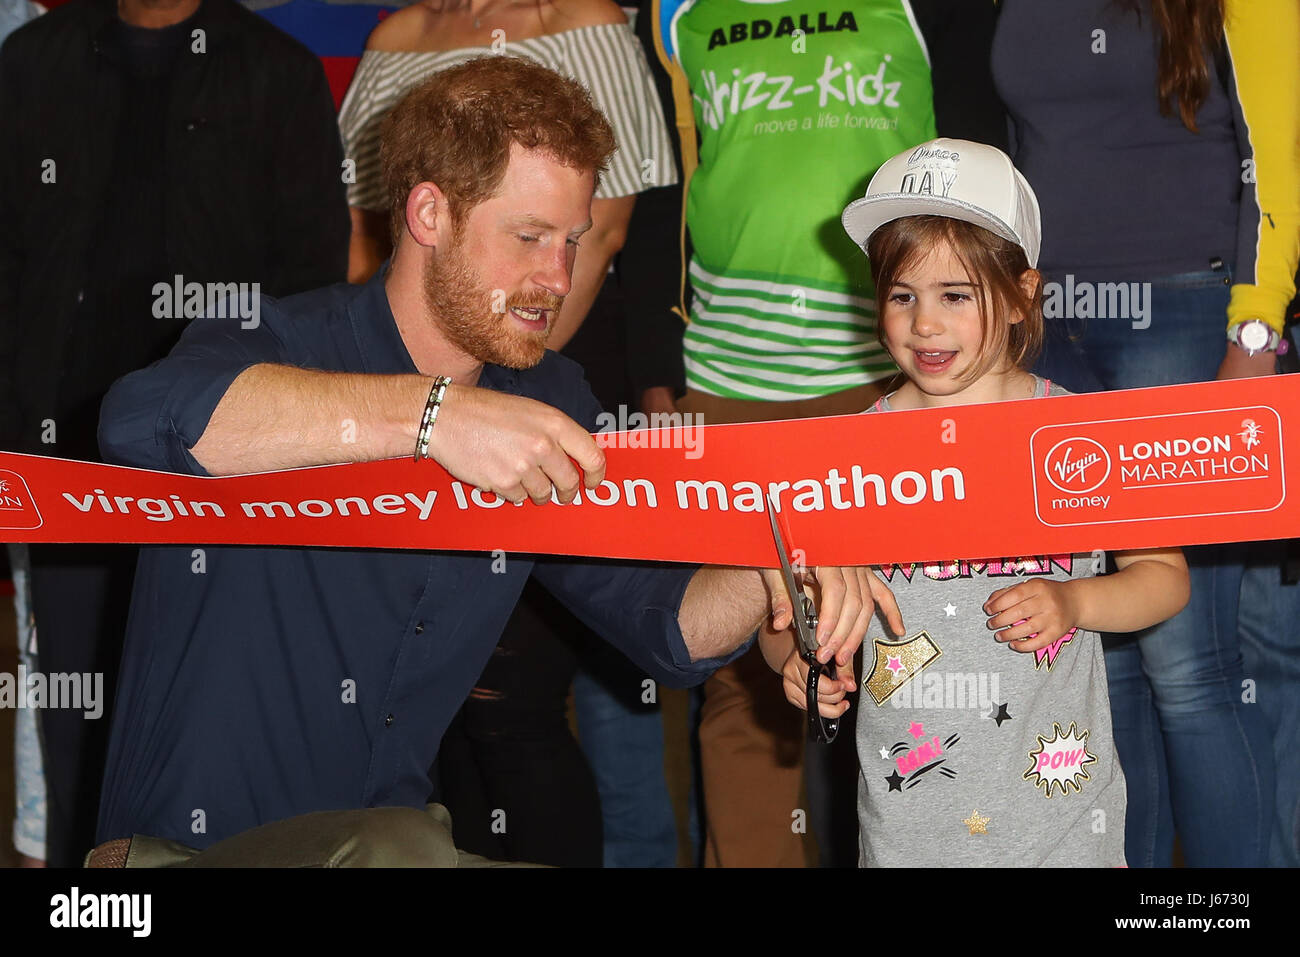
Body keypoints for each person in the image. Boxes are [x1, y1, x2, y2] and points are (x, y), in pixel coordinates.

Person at [87, 55, 881, 866]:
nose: (558, 279)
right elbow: (142, 421)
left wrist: (772, 571)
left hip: (389, 843)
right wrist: (434, 417)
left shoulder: (548, 398)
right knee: (403, 846)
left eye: (572, 241)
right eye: (528, 237)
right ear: (429, 213)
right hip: (173, 856)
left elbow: (663, 624)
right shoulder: (280, 340)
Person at [640, 0, 1008, 867]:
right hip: (726, 388)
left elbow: (980, 187)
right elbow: (665, 193)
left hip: (883, 388)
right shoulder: (674, 11)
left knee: (904, 658)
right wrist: (659, 375)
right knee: (746, 676)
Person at [761, 138, 1191, 866]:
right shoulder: (844, 456)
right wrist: (798, 660)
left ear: (1024, 292)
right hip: (907, 836)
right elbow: (795, 608)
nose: (924, 324)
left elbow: (1165, 577)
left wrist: (1076, 601)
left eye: (955, 295)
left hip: (1064, 830)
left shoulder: (1079, 437)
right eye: (903, 295)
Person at [0, 0, 350, 867]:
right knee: (77, 710)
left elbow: (313, 278)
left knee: (214, 715)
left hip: (221, 458)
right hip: (63, 454)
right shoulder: (32, 61)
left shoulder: (279, 71)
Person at [336, 0, 683, 866]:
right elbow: (358, 234)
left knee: (515, 695)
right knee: (434, 700)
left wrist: (493, 384)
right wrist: (374, 375)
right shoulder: (394, 38)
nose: (549, 256)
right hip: (404, 392)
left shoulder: (588, 18)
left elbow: (595, 238)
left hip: (541, 370)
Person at [990, 0, 1299, 866]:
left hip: (1185, 315)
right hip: (1054, 323)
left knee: (1188, 666)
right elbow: (1017, 151)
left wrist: (1255, 331)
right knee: (1100, 654)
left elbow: (1280, 157)